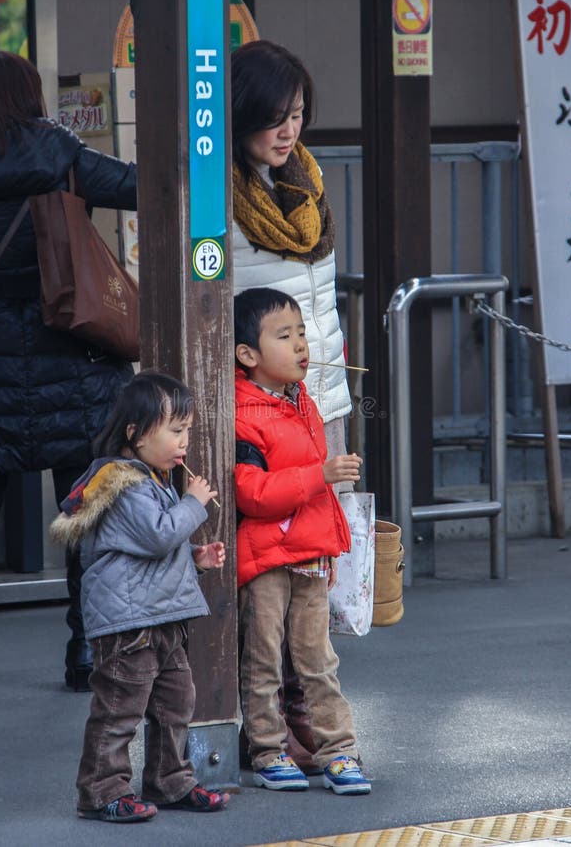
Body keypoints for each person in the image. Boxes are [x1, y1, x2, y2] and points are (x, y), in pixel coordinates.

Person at [0, 50, 137, 689]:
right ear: (30, 94)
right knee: (86, 517)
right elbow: (139, 184)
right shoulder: (63, 157)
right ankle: (86, 655)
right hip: (73, 367)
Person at [231, 38, 353, 768]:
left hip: (318, 400)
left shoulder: (305, 186)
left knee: (315, 573)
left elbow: (323, 308)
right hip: (253, 411)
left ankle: (305, 715)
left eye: (298, 115)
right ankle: (267, 725)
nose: (289, 132)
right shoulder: (214, 195)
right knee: (266, 578)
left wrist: (330, 388)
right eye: (275, 118)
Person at [50, 371, 230, 823]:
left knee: (177, 701)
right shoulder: (124, 482)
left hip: (160, 615)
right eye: (175, 430)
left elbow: (155, 550)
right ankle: (101, 790)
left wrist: (196, 557)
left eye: (187, 429)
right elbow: (154, 537)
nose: (184, 440)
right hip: (129, 623)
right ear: (134, 432)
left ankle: (171, 780)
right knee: (119, 708)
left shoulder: (152, 477)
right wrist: (194, 503)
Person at [234, 287, 371, 795]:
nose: (300, 345)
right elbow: (251, 494)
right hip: (268, 557)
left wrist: (332, 544)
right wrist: (321, 475)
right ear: (247, 355)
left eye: (302, 333)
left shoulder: (302, 401)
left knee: (319, 660)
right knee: (264, 658)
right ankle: (268, 749)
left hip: (309, 553)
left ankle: (339, 750)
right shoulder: (244, 412)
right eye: (284, 335)